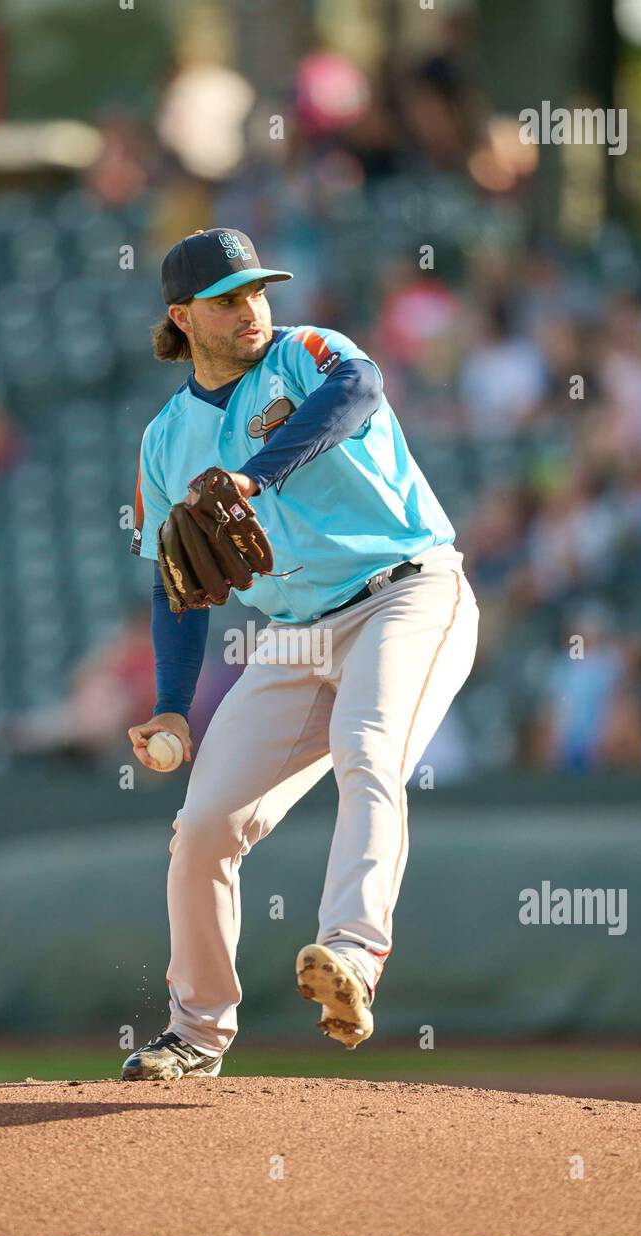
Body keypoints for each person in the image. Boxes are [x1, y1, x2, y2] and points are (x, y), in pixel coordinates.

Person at [123, 227, 479, 1081]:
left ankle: (351, 955)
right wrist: (174, 701)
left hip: (408, 592)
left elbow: (358, 389)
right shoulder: (163, 442)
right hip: (295, 635)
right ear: (182, 317)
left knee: (370, 750)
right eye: (227, 299)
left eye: (256, 291)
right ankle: (195, 1034)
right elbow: (176, 580)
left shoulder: (309, 352)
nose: (251, 309)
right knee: (204, 828)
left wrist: (251, 474)